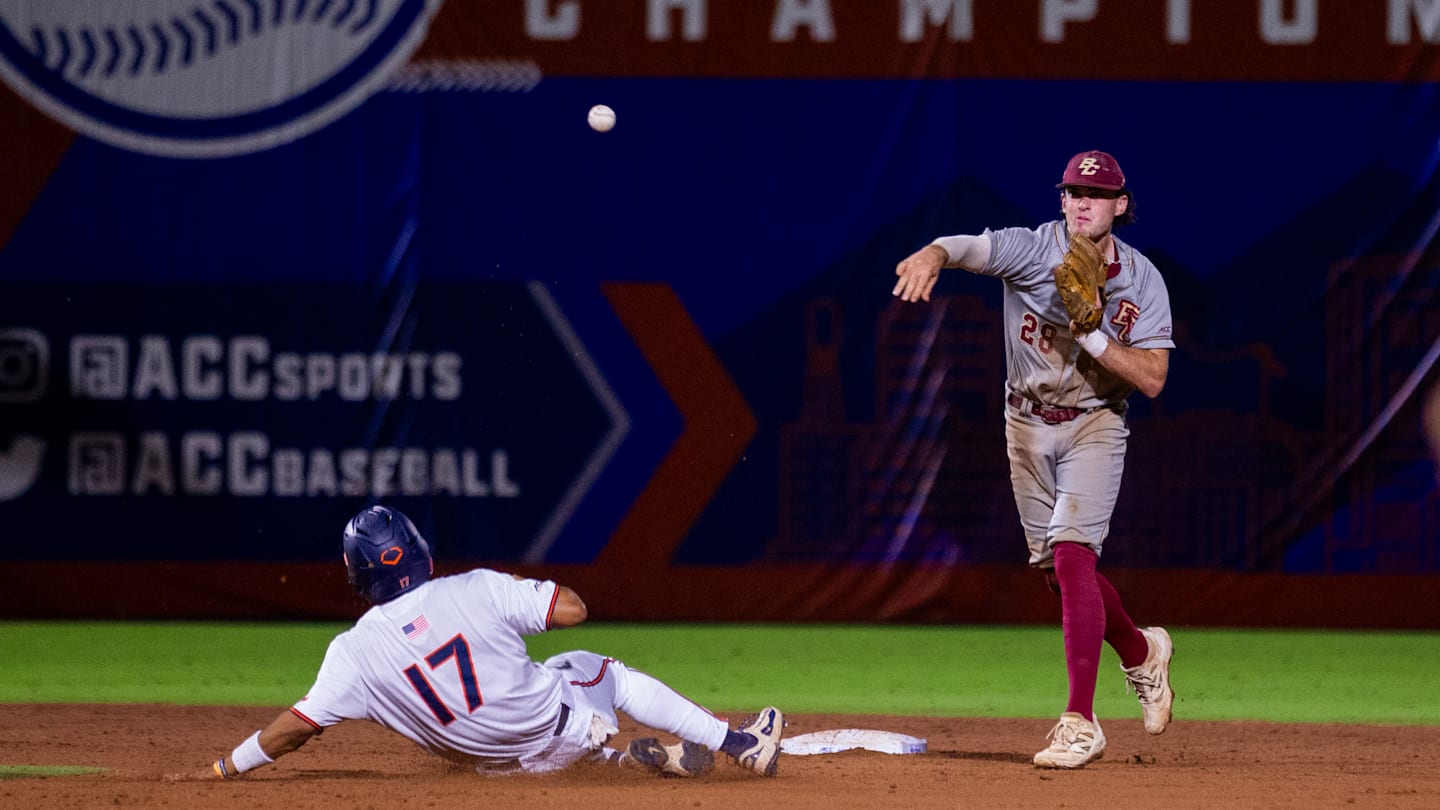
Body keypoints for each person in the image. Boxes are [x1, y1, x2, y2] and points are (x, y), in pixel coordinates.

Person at [891, 149, 1176, 769]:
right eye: (1072, 192)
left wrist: (1094, 333)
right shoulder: (1034, 249)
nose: (1081, 203)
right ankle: (1139, 652)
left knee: (1074, 554)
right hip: (1024, 420)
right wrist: (932, 254)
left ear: (1120, 206)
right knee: (1055, 570)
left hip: (1096, 423)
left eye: (1095, 195)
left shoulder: (1144, 280)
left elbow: (1153, 379)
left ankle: (1081, 721)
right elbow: (966, 247)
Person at [205, 505, 785, 780]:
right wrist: (516, 587)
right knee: (599, 669)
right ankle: (737, 742)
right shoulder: (477, 587)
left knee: (545, 677)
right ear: (417, 549)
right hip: (548, 732)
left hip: (490, 766)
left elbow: (297, 727)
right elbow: (575, 610)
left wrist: (227, 767)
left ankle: (619, 763)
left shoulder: (351, 653)